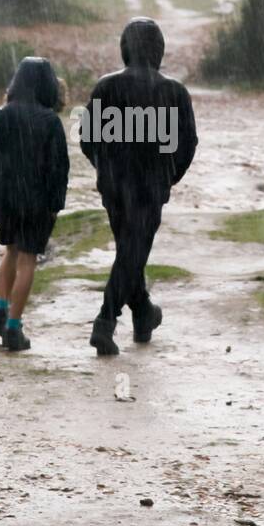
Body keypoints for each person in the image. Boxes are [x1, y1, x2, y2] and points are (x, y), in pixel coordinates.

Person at [80, 18, 198, 355]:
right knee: (132, 252)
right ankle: (105, 320)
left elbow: (88, 139)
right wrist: (168, 176)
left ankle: (143, 312)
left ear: (125, 48)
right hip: (150, 187)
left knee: (129, 252)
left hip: (114, 188)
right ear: (158, 49)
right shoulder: (174, 92)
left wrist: (105, 170)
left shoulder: (106, 87)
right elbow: (187, 144)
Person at [0, 57, 69, 351]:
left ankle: (0, 307)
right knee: (28, 259)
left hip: (5, 201)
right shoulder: (50, 122)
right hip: (36, 202)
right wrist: (55, 204)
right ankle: (13, 327)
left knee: (10, 251)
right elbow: (59, 168)